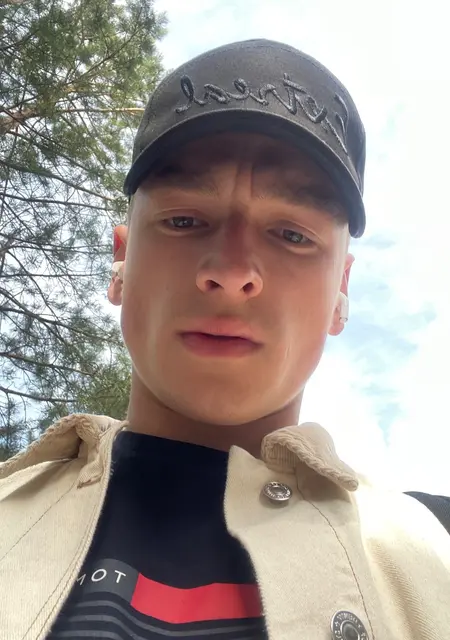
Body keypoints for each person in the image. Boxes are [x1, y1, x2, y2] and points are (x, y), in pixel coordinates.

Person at [1, 39, 449, 640]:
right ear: (120, 262)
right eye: (184, 220)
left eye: (292, 235)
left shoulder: (437, 547)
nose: (233, 272)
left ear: (341, 293)